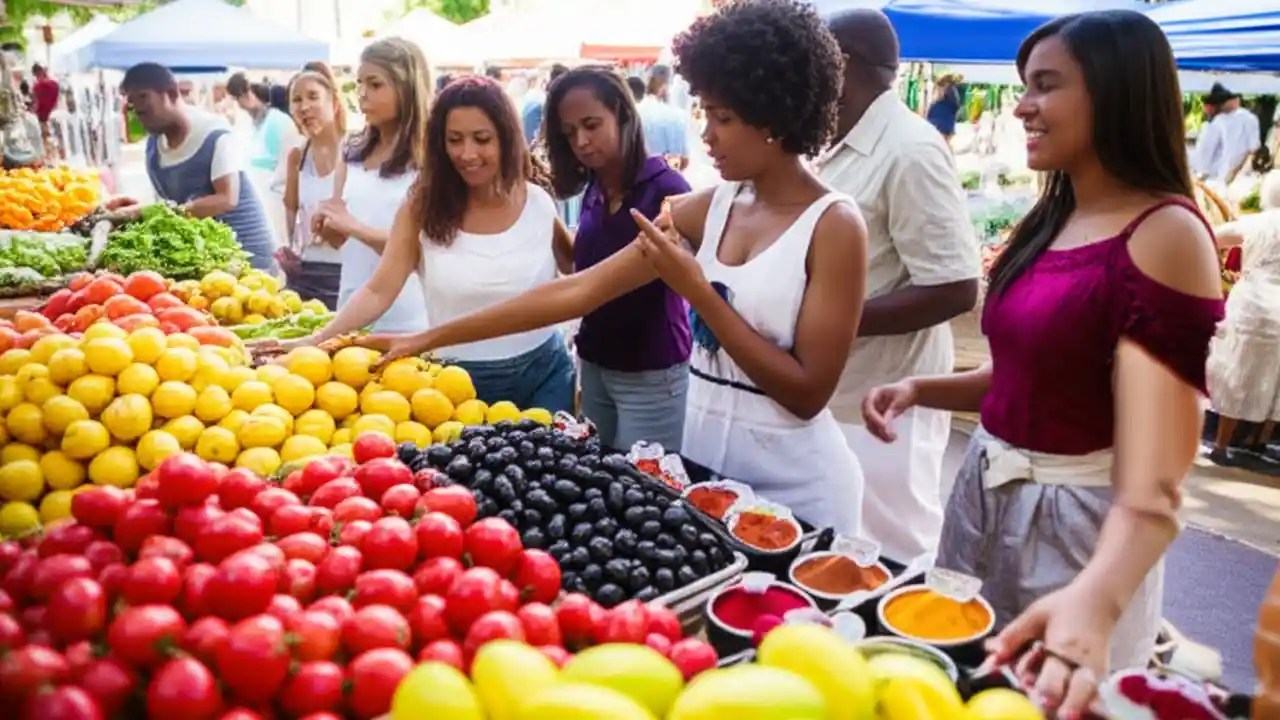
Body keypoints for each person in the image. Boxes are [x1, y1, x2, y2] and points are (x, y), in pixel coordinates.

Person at [360, 0, 869, 535]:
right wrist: (424, 339)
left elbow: (807, 392)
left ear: (776, 117)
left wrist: (697, 292)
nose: (708, 134)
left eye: (723, 118)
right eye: (705, 113)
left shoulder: (832, 225)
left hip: (799, 490)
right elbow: (578, 292)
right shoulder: (705, 210)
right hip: (709, 477)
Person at [862, 11, 1223, 715]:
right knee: (967, 683)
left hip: (1080, 529)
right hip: (985, 495)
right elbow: (1039, 369)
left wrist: (1096, 601)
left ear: (1117, 93)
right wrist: (919, 387)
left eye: (1046, 86)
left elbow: (1158, 482)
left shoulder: (1167, 234)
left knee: (1049, 698)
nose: (1022, 105)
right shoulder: (1052, 217)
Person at [821, 9, 979, 563]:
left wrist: (828, 320)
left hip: (887, 401)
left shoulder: (910, 148)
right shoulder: (831, 137)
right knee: (838, 546)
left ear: (842, 65)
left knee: (893, 550)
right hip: (832, 391)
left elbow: (956, 287)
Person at [545, 66, 693, 451]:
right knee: (595, 479)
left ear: (623, 115)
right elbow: (583, 263)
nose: (581, 140)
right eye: (569, 132)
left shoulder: (668, 190)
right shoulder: (596, 184)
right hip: (594, 365)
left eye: (591, 124)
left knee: (644, 494)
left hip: (651, 374)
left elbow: (585, 289)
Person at [304, 38, 431, 335]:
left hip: (409, 322)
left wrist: (353, 226)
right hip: (351, 311)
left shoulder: (430, 160)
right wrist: (328, 226)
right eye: (359, 84)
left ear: (407, 86)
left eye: (375, 85)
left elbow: (425, 252)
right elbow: (342, 239)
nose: (362, 95)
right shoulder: (352, 151)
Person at [109, 63, 275, 270]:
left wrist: (150, 212)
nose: (138, 110)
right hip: (200, 257)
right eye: (132, 102)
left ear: (171, 93)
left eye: (143, 97)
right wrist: (134, 211)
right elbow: (169, 206)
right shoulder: (154, 145)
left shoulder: (215, 133)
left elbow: (227, 199)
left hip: (246, 259)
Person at [1206, 170, 1280, 467]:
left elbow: (1211, 237)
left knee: (1237, 370)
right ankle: (1258, 442)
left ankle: (1222, 445)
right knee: (1273, 377)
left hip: (1251, 304)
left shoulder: (1256, 223)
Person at [280, 62, 347, 310]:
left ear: (335, 103)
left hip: (348, 271)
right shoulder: (297, 156)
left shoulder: (357, 151)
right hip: (307, 274)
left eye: (313, 97)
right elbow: (290, 210)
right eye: (296, 100)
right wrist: (289, 250)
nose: (304, 107)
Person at [227, 71, 299, 244]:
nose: (240, 103)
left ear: (250, 92)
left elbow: (287, 169)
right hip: (256, 203)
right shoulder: (248, 125)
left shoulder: (279, 121)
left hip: (275, 202)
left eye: (240, 96)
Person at [1193, 83, 1261, 188]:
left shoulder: (1218, 122)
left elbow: (1203, 157)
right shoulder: (1251, 119)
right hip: (1241, 179)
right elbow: (1253, 151)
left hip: (1220, 180)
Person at [637, 65, 689, 170]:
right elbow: (683, 160)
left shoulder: (634, 112)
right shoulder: (676, 116)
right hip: (668, 177)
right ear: (665, 86)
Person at [30, 64, 59, 157]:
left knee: (43, 146)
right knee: (52, 145)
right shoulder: (55, 84)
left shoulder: (36, 86)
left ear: (36, 73)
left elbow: (36, 105)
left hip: (41, 121)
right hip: (53, 118)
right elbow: (55, 103)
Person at [926, 74, 962, 146]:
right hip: (941, 125)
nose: (939, 90)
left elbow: (955, 105)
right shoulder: (937, 104)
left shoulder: (949, 95)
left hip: (942, 125)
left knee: (942, 145)